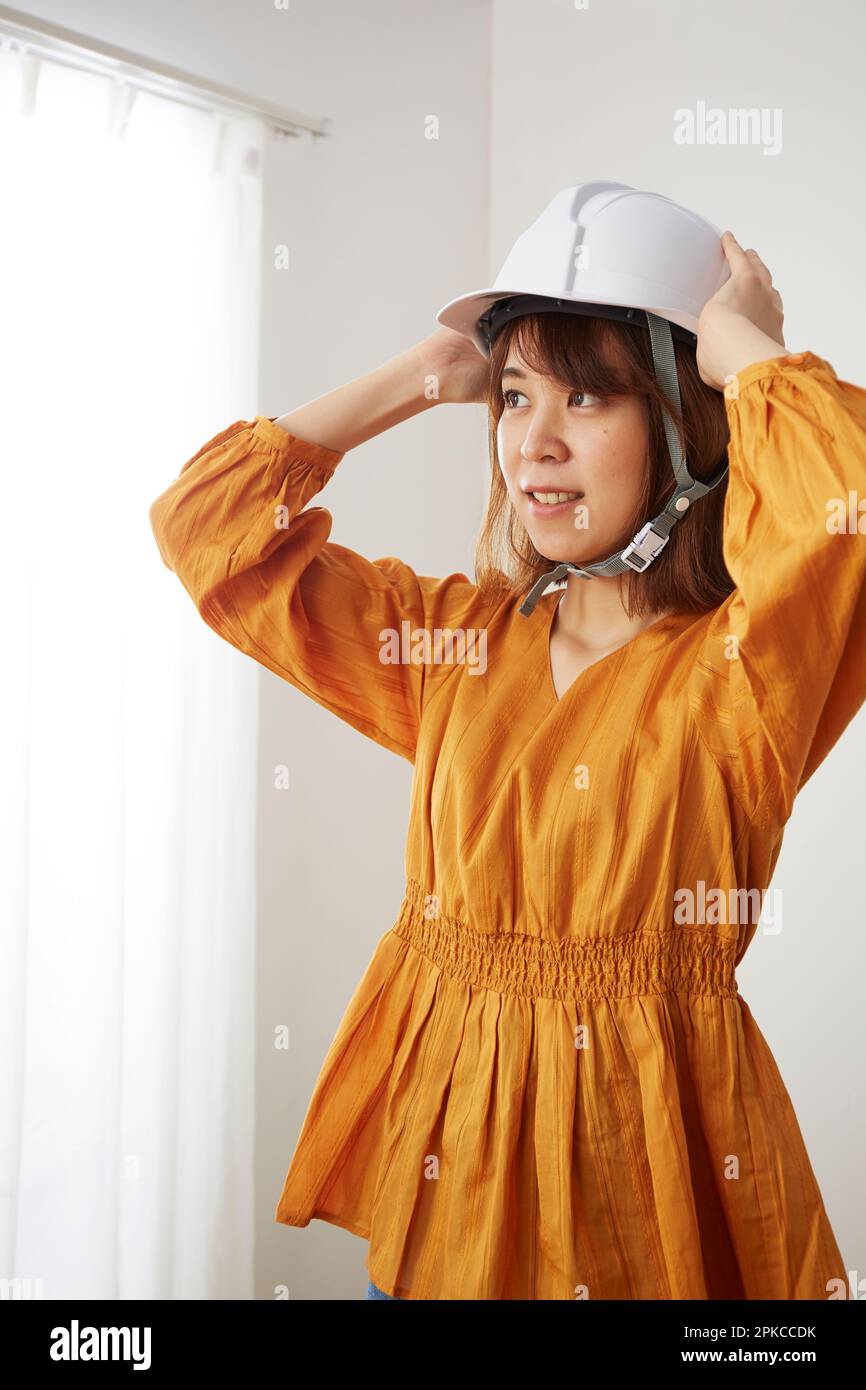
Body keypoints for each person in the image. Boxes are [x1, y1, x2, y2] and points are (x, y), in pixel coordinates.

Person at [149, 194, 866, 1300]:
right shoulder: (454, 644)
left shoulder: (744, 676)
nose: (532, 442)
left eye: (585, 396)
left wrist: (744, 352)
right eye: (515, 395)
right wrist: (422, 372)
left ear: (685, 424)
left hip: (640, 1205)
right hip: (444, 1198)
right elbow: (204, 528)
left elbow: (845, 509)